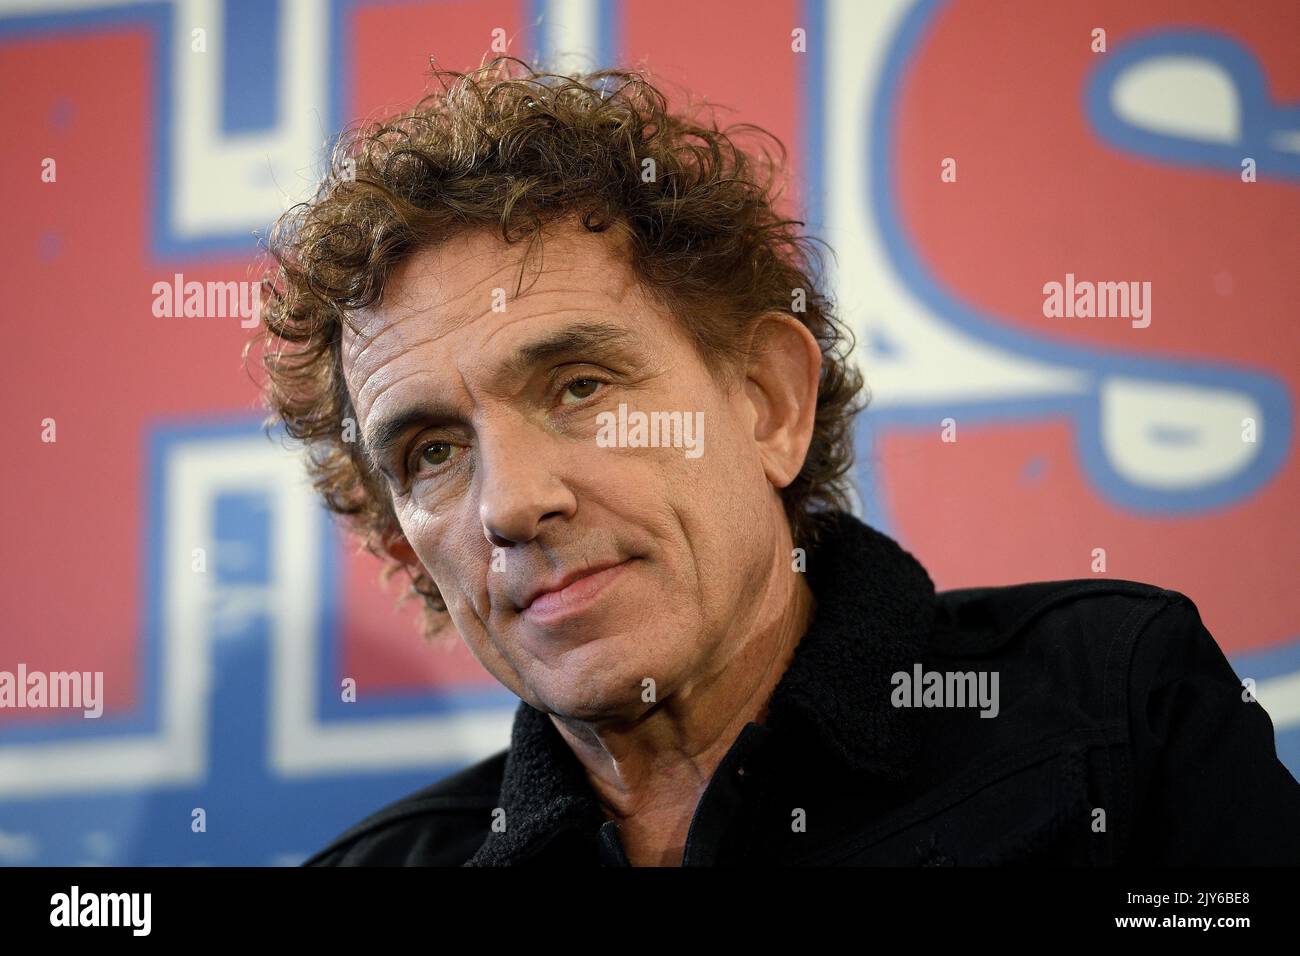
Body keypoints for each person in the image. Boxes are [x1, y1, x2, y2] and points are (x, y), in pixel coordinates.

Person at [252, 57, 1300, 866]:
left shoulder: (1110, 707)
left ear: (767, 404)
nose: (514, 502)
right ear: (401, 541)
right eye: (432, 450)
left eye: (578, 386)